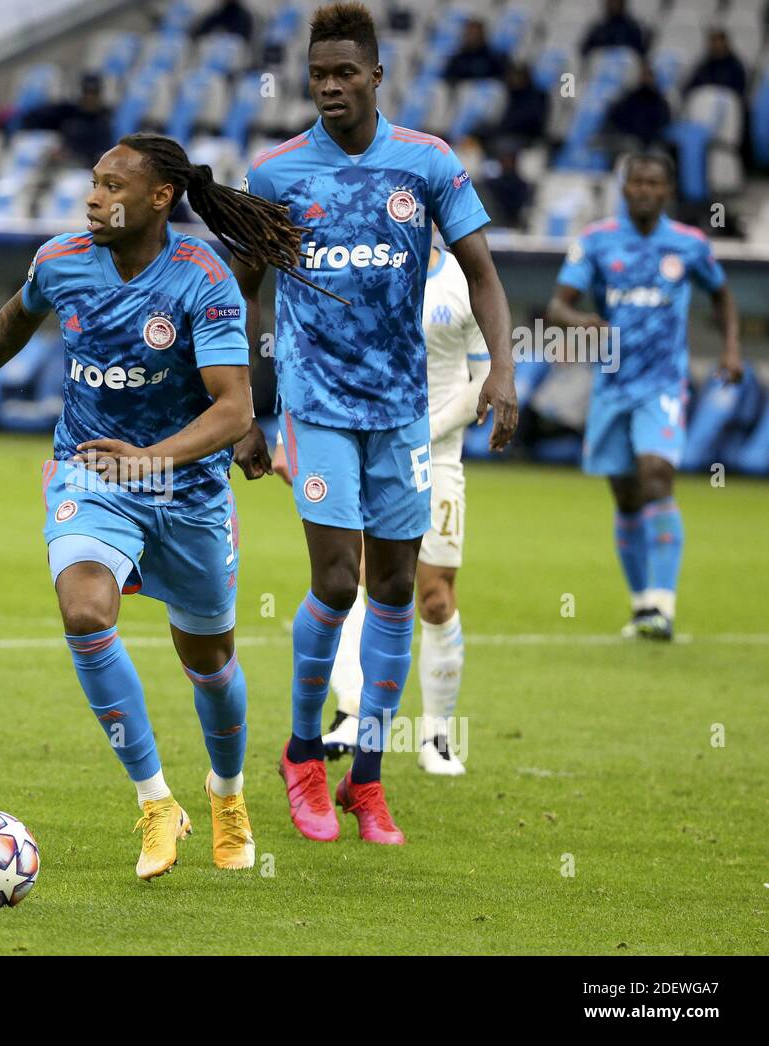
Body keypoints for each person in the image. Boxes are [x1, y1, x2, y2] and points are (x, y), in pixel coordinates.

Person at [0, 133, 303, 880]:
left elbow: (232, 411)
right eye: (91, 183)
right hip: (90, 474)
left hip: (186, 491)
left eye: (111, 186)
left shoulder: (204, 278)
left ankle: (226, 797)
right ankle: (157, 804)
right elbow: (12, 320)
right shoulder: (61, 261)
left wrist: (154, 459)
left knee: (210, 661)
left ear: (160, 198)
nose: (94, 197)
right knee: (87, 614)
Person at [232, 1, 518, 845]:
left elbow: (486, 278)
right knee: (336, 583)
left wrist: (501, 368)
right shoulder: (277, 174)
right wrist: (251, 409)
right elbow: (244, 291)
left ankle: (368, 778)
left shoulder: (425, 164)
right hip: (317, 409)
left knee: (396, 588)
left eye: (343, 73)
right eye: (317, 75)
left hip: (403, 416)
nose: (328, 87)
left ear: (376, 76)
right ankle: (300, 756)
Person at [545, 151, 742, 640]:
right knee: (627, 494)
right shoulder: (596, 241)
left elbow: (722, 294)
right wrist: (580, 320)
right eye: (636, 183)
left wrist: (731, 349)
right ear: (624, 188)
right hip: (612, 384)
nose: (645, 191)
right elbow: (557, 306)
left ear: (668, 191)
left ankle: (663, 605)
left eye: (654, 183)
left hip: (663, 384)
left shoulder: (690, 245)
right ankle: (641, 607)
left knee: (657, 475)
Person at [316, 243, 491, 774]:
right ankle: (351, 714)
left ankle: (436, 735)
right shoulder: (365, 266)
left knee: (433, 596)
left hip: (435, 457)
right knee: (355, 580)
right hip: (366, 448)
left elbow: (484, 376)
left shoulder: (467, 278)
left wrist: (421, 433)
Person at [606, 65, 671, 149]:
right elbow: (616, 117)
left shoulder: (659, 101)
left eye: (648, 77)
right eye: (644, 76)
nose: (646, 79)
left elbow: (663, 121)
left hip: (652, 141)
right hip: (629, 139)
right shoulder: (629, 98)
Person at [685, 29, 747, 100]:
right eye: (713, 42)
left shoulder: (736, 67)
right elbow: (691, 88)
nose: (716, 45)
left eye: (719, 42)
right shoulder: (703, 65)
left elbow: (739, 92)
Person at [443, 18, 508, 83]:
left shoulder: (494, 57)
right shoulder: (457, 59)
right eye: (471, 33)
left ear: (483, 34)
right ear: (465, 35)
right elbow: (449, 79)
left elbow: (502, 79)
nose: (474, 37)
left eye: (477, 33)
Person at [580, 0, 647, 57]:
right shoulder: (598, 29)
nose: (614, 5)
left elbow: (641, 54)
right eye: (611, 1)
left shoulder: (632, 29)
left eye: (617, 1)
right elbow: (585, 52)